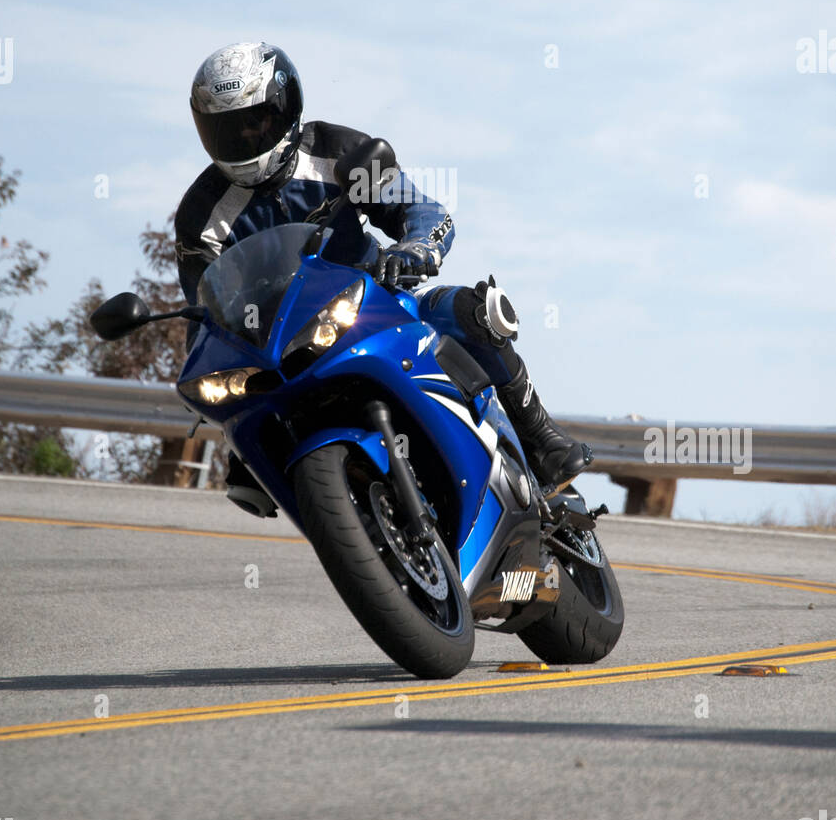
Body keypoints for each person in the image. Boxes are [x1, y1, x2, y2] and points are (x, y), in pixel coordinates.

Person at [175, 41, 591, 517]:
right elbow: (204, 310)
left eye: (258, 119)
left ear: (286, 108)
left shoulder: (337, 151)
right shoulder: (201, 216)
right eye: (228, 127)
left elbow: (422, 211)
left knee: (468, 313)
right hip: (282, 349)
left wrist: (416, 247)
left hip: (374, 302)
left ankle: (541, 438)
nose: (246, 135)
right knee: (246, 440)